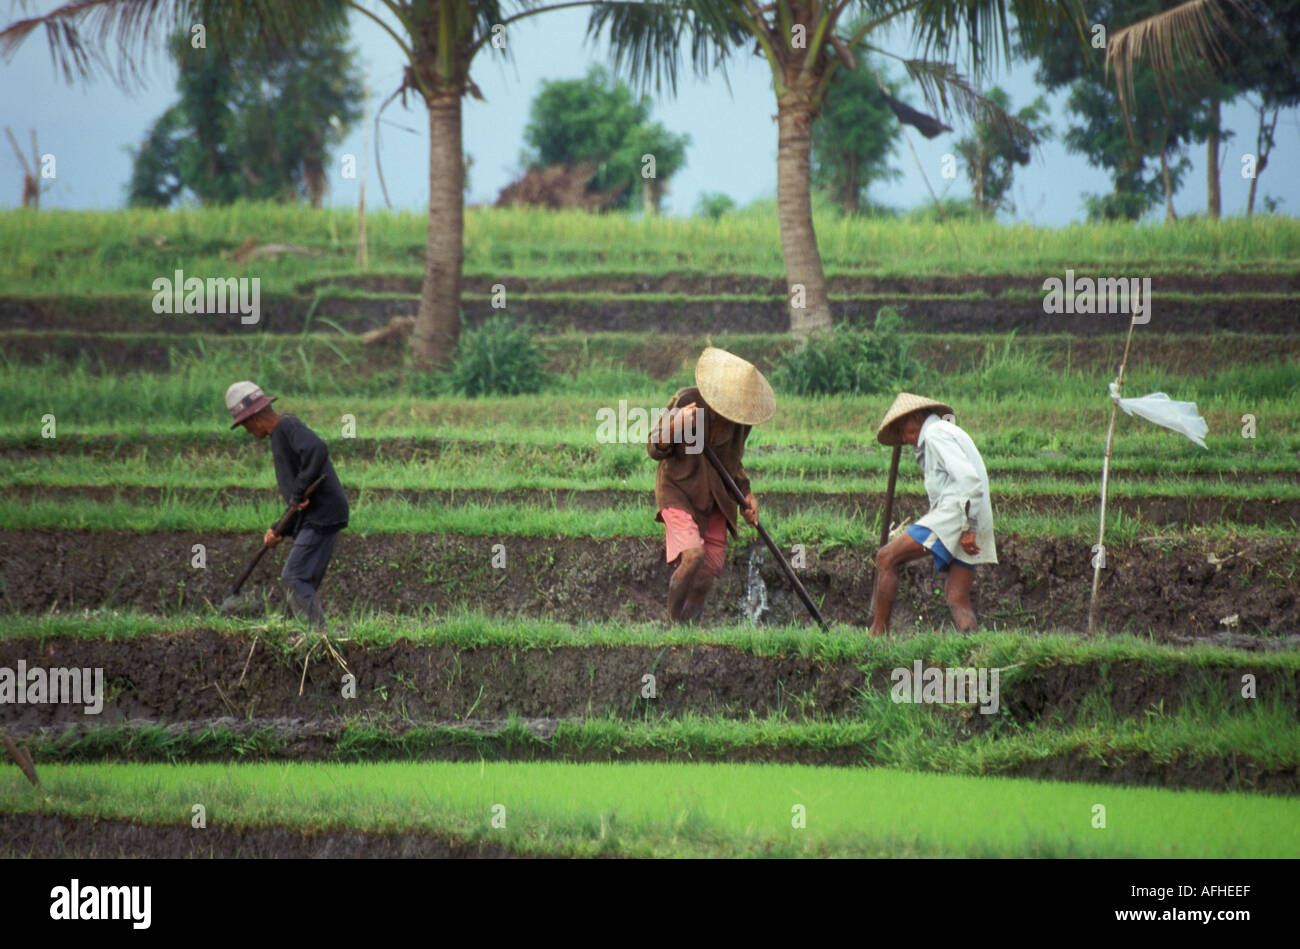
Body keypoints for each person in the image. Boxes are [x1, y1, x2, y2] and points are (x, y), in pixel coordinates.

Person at [647, 348, 774, 622]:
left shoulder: (742, 422)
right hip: (679, 490)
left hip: (716, 498)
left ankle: (688, 629)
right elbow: (654, 447)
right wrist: (675, 426)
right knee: (693, 556)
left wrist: (747, 493)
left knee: (706, 575)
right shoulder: (686, 400)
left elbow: (732, 462)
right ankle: (671, 627)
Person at [869, 393, 996, 635]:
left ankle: (877, 636)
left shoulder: (936, 434)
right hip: (973, 514)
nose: (905, 439)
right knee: (956, 595)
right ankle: (973, 652)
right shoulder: (943, 432)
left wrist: (967, 527)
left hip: (957, 516)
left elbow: (970, 480)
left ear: (916, 417)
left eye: (904, 431)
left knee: (886, 557)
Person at [225, 381, 349, 628]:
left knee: (294, 576)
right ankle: (316, 634)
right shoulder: (279, 434)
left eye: (245, 426)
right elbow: (297, 500)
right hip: (317, 514)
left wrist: (300, 491)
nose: (248, 432)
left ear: (253, 418)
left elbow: (317, 449)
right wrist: (278, 529)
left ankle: (319, 636)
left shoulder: (286, 425)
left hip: (322, 516)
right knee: (302, 579)